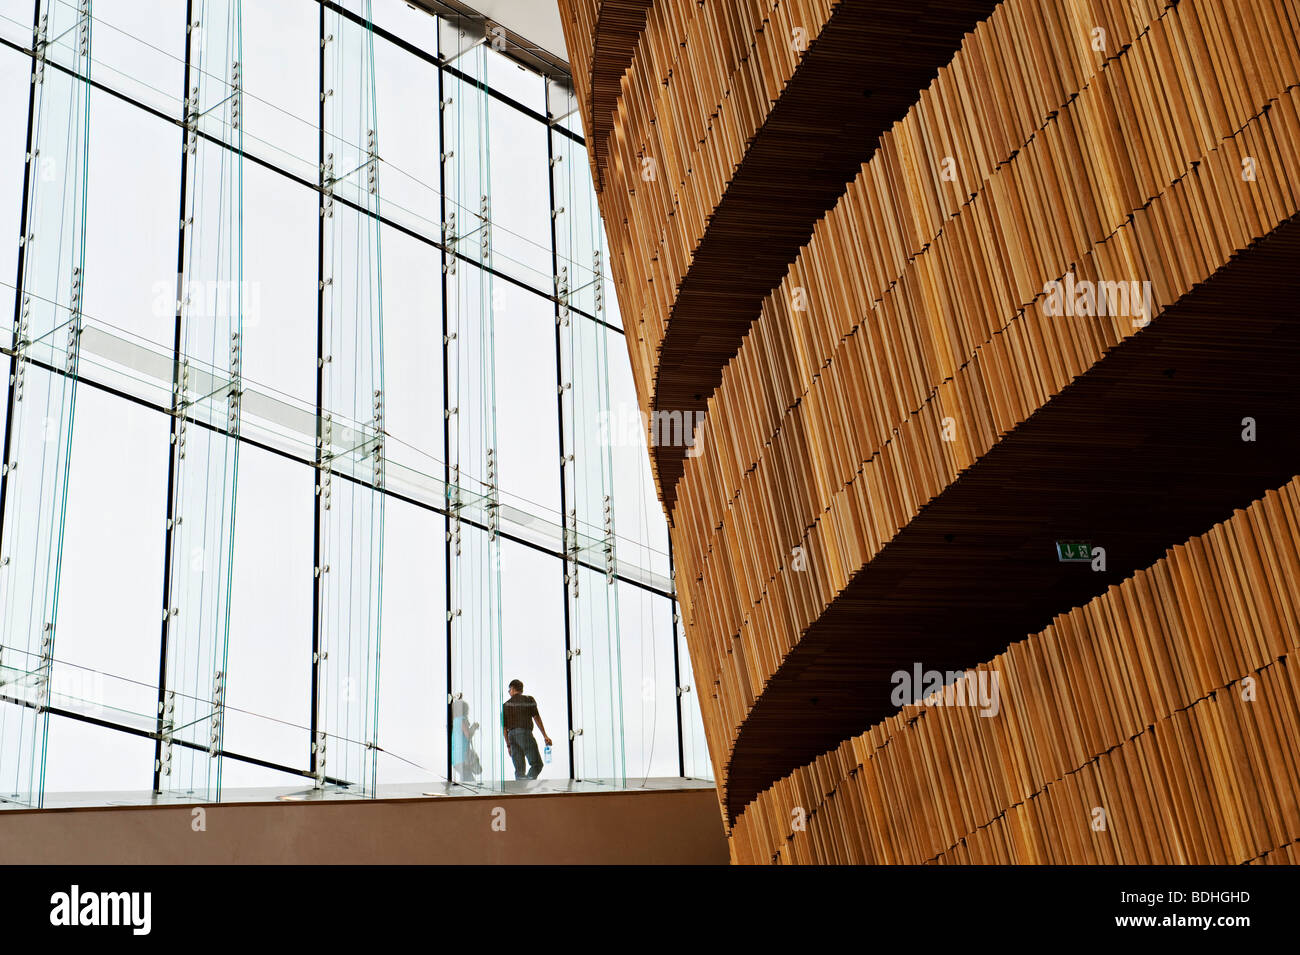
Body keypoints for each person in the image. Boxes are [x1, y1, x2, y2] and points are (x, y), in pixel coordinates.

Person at [501, 679, 551, 780]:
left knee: (519, 770)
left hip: (511, 736)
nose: (509, 692)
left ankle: (522, 790)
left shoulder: (505, 705)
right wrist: (545, 735)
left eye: (509, 690)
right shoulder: (529, 699)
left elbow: (504, 729)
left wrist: (508, 745)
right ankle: (527, 784)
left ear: (512, 688)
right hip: (524, 733)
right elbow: (536, 717)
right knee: (536, 764)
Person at [451, 699, 480, 782]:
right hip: (462, 757)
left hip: (456, 757)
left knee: (466, 781)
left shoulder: (454, 721)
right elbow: (468, 735)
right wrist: (474, 727)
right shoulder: (461, 719)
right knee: (470, 783)